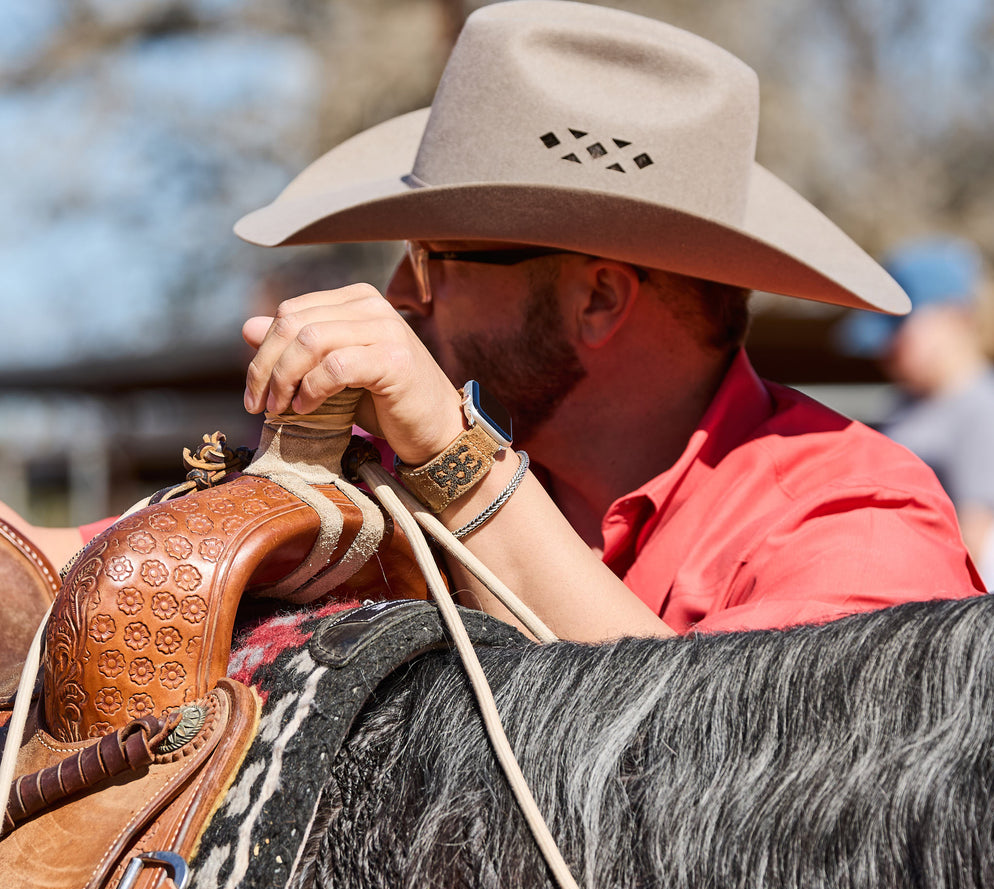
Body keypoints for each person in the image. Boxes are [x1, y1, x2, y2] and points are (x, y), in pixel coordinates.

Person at [6, 1, 983, 640]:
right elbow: (73, 564)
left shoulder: (854, 523)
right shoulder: (395, 491)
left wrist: (454, 456)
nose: (397, 292)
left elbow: (730, 803)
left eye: (435, 257)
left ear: (598, 298)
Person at [837, 236, 994, 582]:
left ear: (955, 316)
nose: (885, 350)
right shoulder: (906, 405)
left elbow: (974, 546)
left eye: (899, 328)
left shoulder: (981, 412)